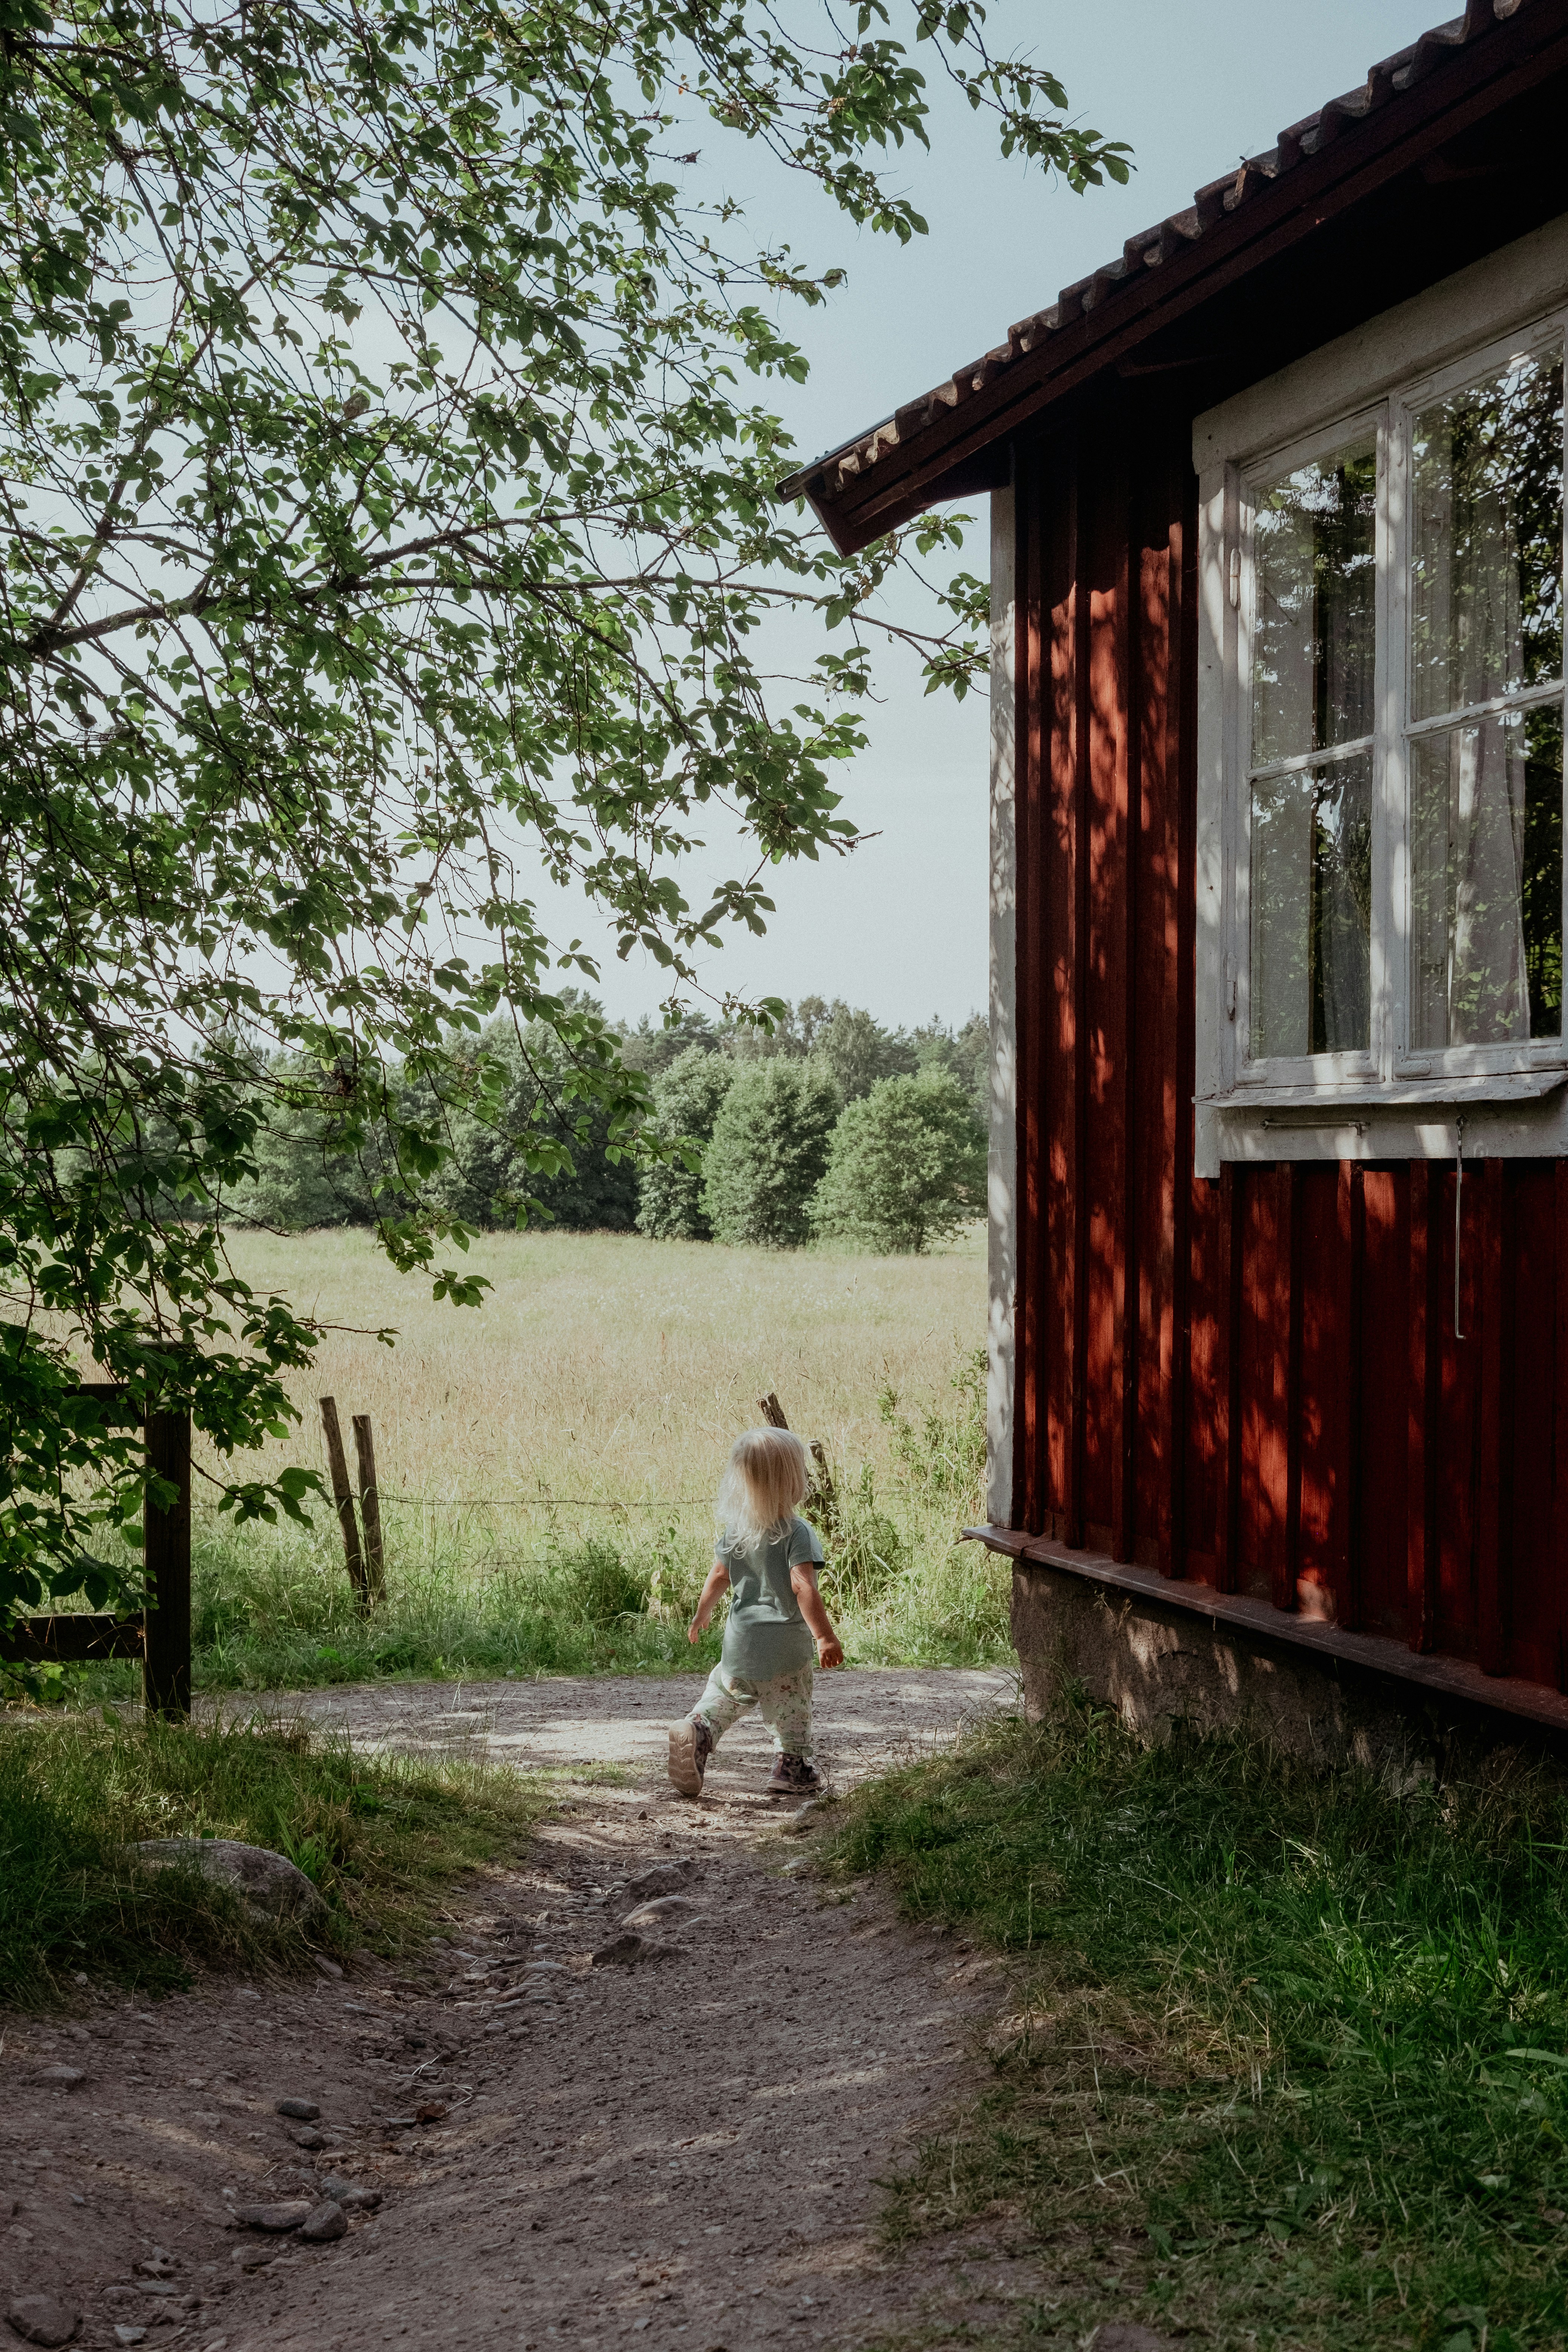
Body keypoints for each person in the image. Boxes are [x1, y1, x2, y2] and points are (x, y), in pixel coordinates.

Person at [668, 1425, 843, 1799]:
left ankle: (698, 1730)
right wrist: (824, 1636)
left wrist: (701, 1616)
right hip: (784, 1647)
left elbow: (718, 1576)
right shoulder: (797, 1532)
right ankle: (790, 1767)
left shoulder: (735, 1531)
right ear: (793, 1480)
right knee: (790, 1704)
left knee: (723, 1693)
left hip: (739, 1643)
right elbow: (802, 1586)